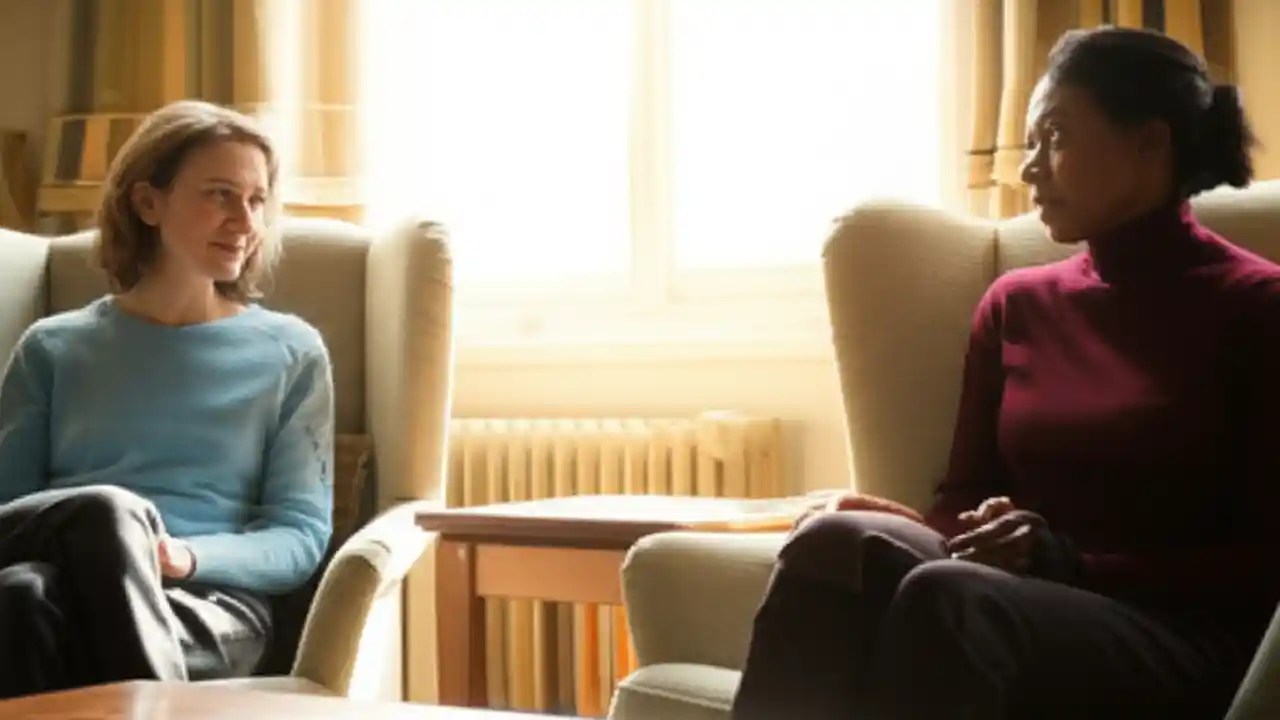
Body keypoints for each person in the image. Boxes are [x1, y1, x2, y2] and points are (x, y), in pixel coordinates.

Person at [731, 26, 1279, 720]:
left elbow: (1263, 561)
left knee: (951, 598)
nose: (1028, 169)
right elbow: (964, 496)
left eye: (1055, 136)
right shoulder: (1015, 304)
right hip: (1020, 596)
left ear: (1151, 141)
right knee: (834, 545)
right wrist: (919, 522)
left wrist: (1069, 562)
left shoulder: (1258, 309)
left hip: (1182, 634)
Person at [0, 100, 334, 698]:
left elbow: (299, 538)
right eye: (220, 195)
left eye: (256, 200)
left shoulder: (290, 352)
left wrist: (182, 556)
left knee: (38, 588)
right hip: (57, 584)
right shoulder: (52, 348)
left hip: (209, 609)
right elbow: (12, 512)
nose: (245, 220)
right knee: (32, 582)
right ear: (148, 202)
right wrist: (112, 533)